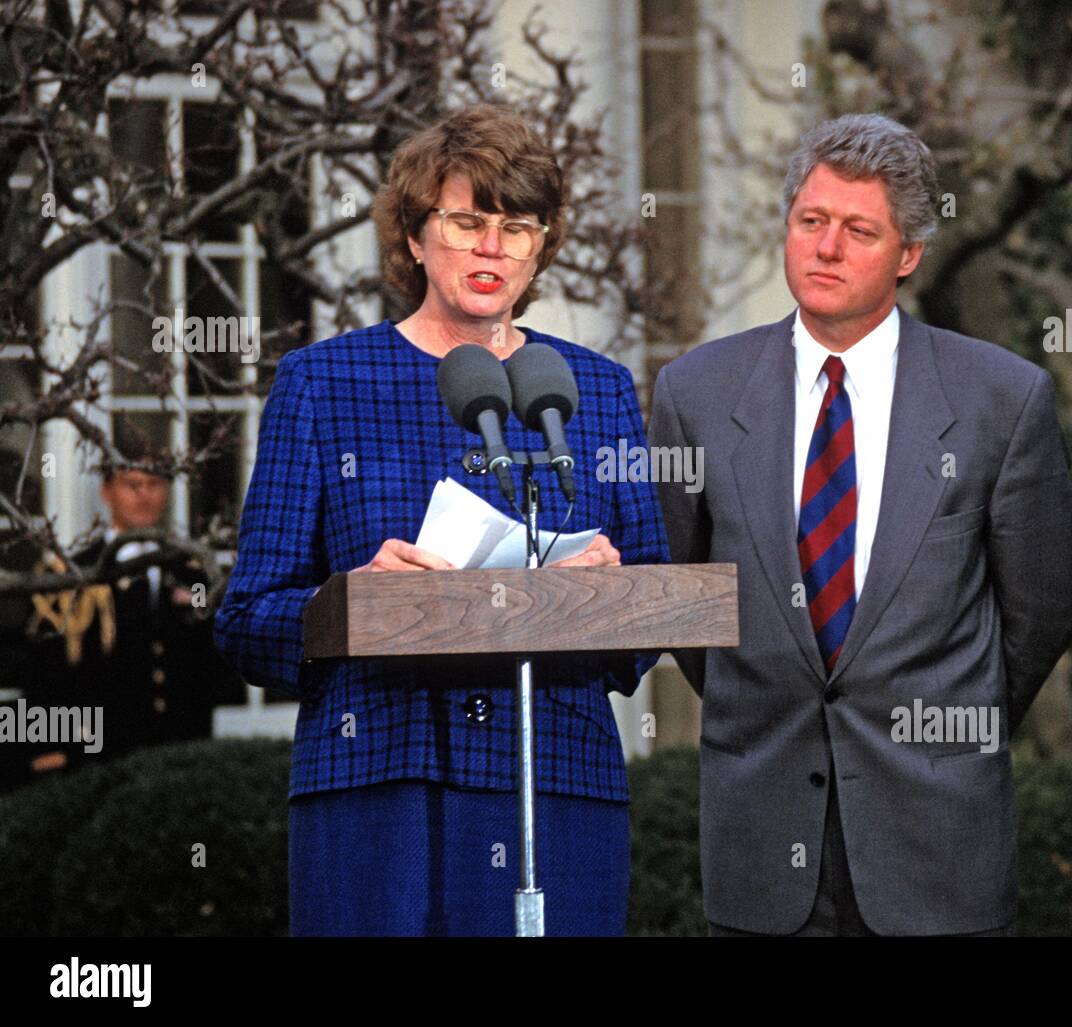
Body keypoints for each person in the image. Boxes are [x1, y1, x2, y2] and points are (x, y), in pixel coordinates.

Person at [214, 104, 668, 937]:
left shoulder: (595, 389)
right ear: (416, 236)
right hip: (378, 788)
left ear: (542, 245)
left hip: (556, 784)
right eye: (466, 221)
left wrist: (595, 598)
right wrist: (350, 601)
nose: (492, 247)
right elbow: (246, 622)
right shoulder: (323, 383)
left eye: (517, 226)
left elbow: (649, 620)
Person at [648, 113, 1072, 936]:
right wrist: (773, 693)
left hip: (938, 845)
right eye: (811, 221)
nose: (826, 247)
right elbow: (685, 598)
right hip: (761, 844)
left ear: (909, 255)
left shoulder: (1002, 398)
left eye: (858, 230)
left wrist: (948, 722)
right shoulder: (695, 392)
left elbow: (1043, 610)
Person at [21, 446, 232, 777]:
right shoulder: (73, 574)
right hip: (96, 759)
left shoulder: (193, 574)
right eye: (132, 484)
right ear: (107, 492)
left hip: (181, 757)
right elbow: (45, 670)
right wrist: (53, 748)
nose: (143, 494)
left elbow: (212, 663)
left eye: (154, 484)